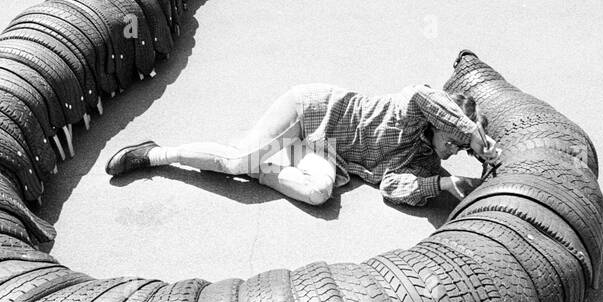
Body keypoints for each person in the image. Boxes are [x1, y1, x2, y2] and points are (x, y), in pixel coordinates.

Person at [104, 82, 497, 207]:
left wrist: (443, 184)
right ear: (441, 122)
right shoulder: (410, 111)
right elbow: (423, 93)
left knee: (320, 192)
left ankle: (260, 168)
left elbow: (394, 188)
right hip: (308, 112)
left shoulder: (427, 164)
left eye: (460, 149)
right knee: (236, 160)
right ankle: (155, 153)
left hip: (323, 151)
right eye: (454, 140)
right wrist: (473, 134)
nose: (455, 150)